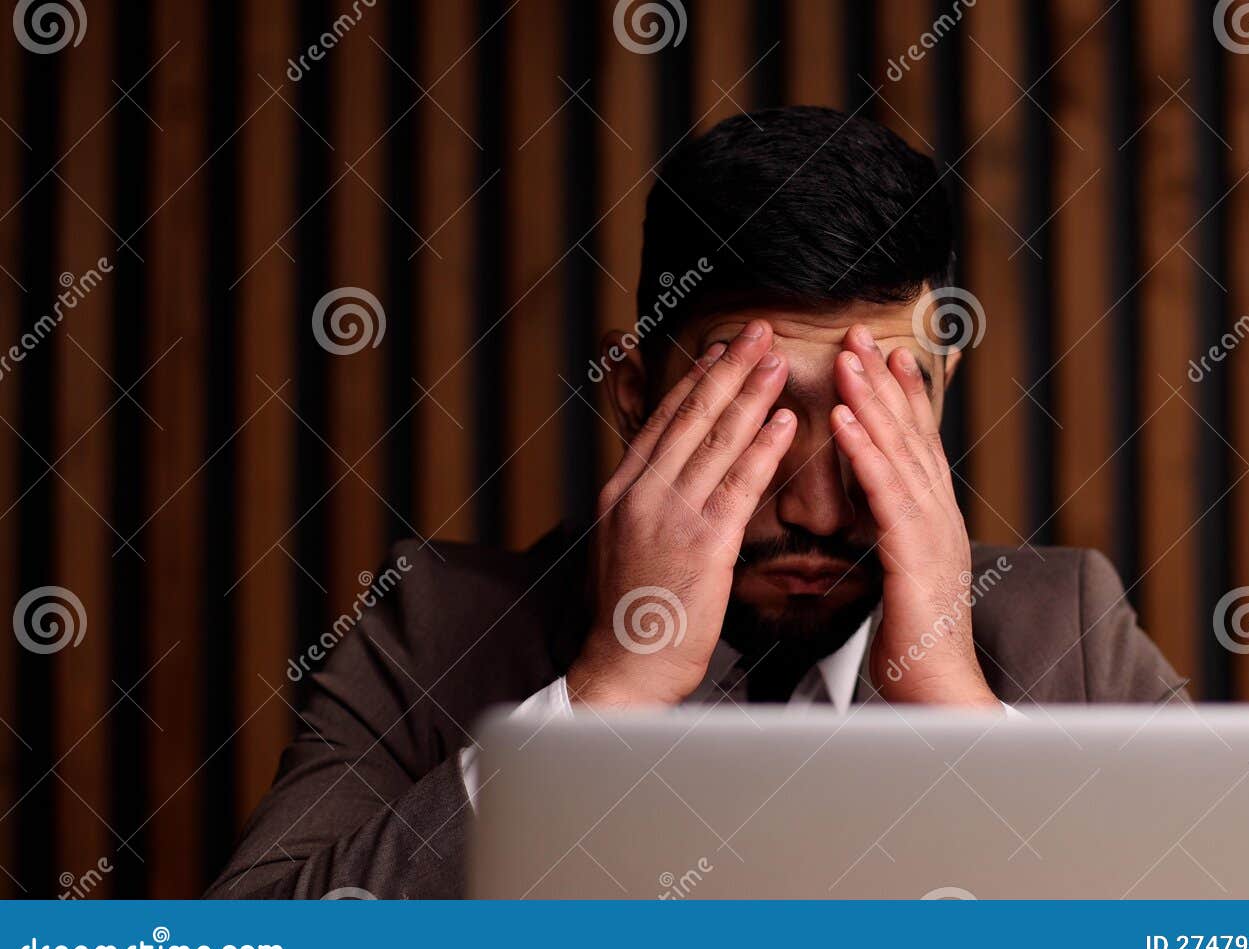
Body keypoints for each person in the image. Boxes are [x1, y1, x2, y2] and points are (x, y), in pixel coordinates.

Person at [208, 107, 1185, 899]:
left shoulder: (1068, 627)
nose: (812, 508)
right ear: (637, 397)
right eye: (753, 415)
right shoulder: (438, 626)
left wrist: (961, 723)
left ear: (939, 391)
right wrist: (606, 697)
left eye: (871, 409)